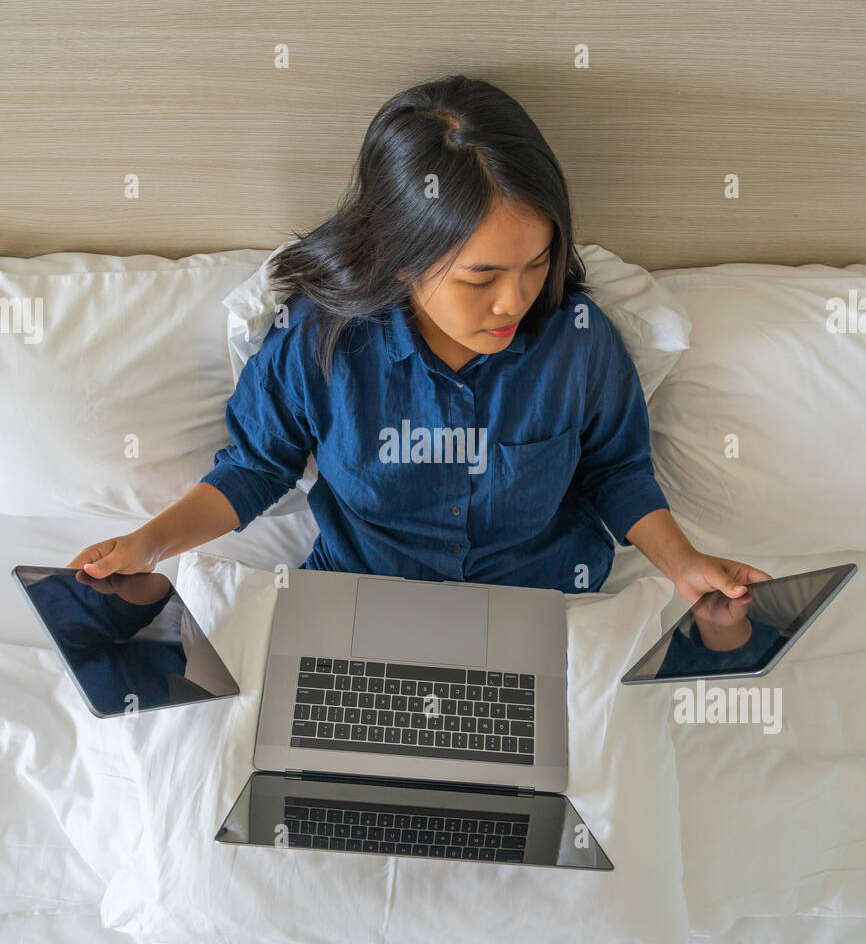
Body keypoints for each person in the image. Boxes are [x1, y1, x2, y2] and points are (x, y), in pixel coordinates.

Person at [67, 74, 770, 605]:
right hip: (360, 608)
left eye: (536, 265)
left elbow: (616, 472)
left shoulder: (578, 344)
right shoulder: (321, 342)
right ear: (401, 259)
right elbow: (256, 467)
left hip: (546, 610)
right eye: (481, 277)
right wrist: (149, 543)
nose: (515, 300)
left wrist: (684, 565)